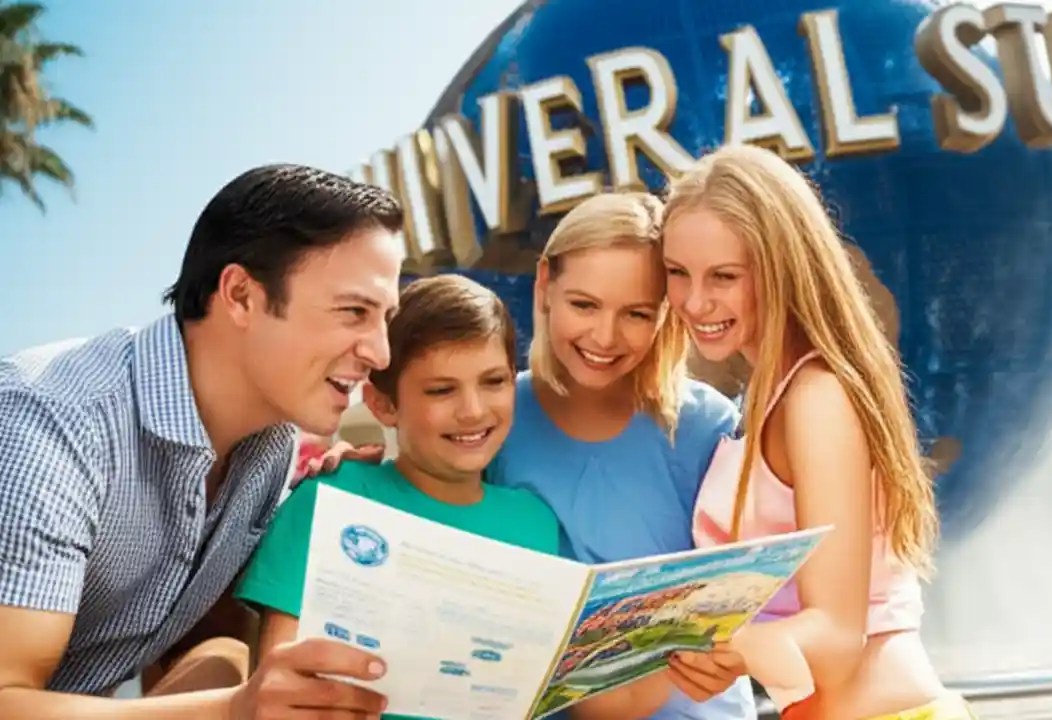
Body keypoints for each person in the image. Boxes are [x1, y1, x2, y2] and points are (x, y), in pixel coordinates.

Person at [0, 164, 403, 718]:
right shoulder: (55, 418)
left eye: (386, 319)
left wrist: (324, 508)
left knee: (222, 658)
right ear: (240, 295)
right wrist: (233, 709)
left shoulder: (271, 451)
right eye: (354, 311)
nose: (380, 354)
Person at [236, 273, 675, 719]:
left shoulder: (536, 521)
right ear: (384, 404)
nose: (473, 410)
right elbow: (279, 689)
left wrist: (689, 638)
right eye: (441, 390)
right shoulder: (331, 502)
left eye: (494, 382)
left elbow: (591, 701)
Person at [661, 144, 973, 720]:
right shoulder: (772, 394)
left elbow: (835, 641)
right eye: (677, 273)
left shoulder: (816, 397)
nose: (694, 300)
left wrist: (720, 648)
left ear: (780, 268)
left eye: (724, 276)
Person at [487, 192, 757, 719]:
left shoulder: (708, 427)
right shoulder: (494, 418)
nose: (604, 337)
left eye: (636, 313)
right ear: (545, 285)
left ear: (667, 313)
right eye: (583, 305)